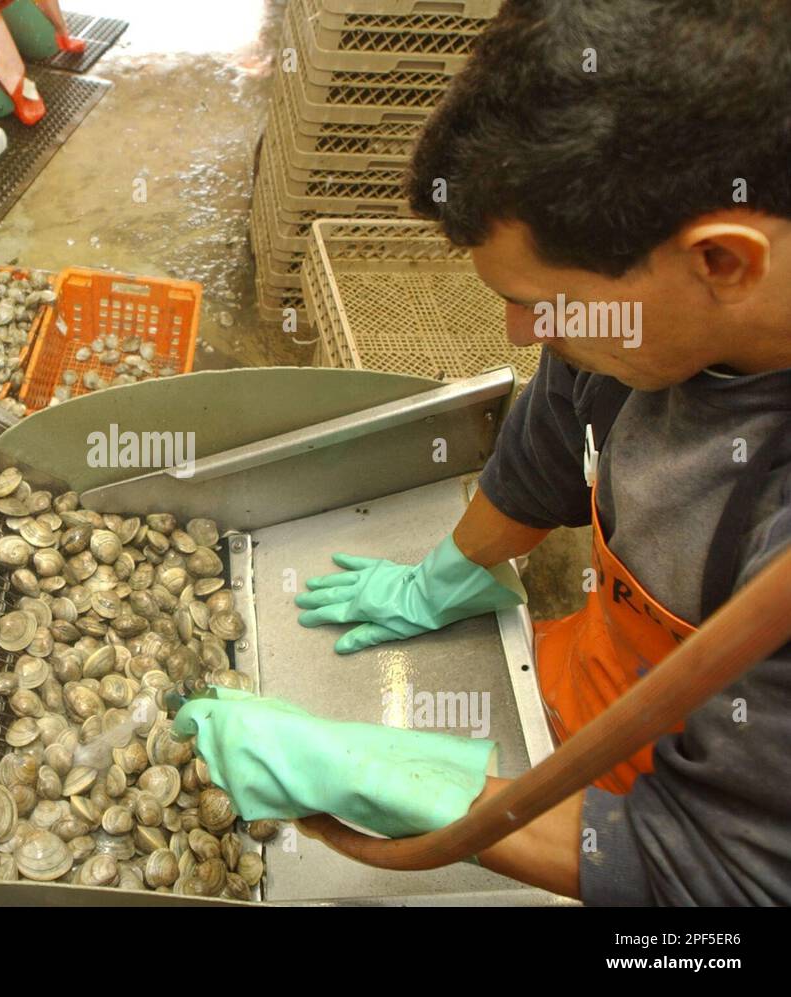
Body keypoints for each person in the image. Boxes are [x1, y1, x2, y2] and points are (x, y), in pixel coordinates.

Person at [175, 0, 791, 905]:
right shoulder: (637, 316)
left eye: (544, 304)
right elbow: (549, 444)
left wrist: (399, 782)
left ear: (725, 263)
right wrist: (447, 572)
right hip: (614, 681)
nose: (517, 330)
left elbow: (725, 874)